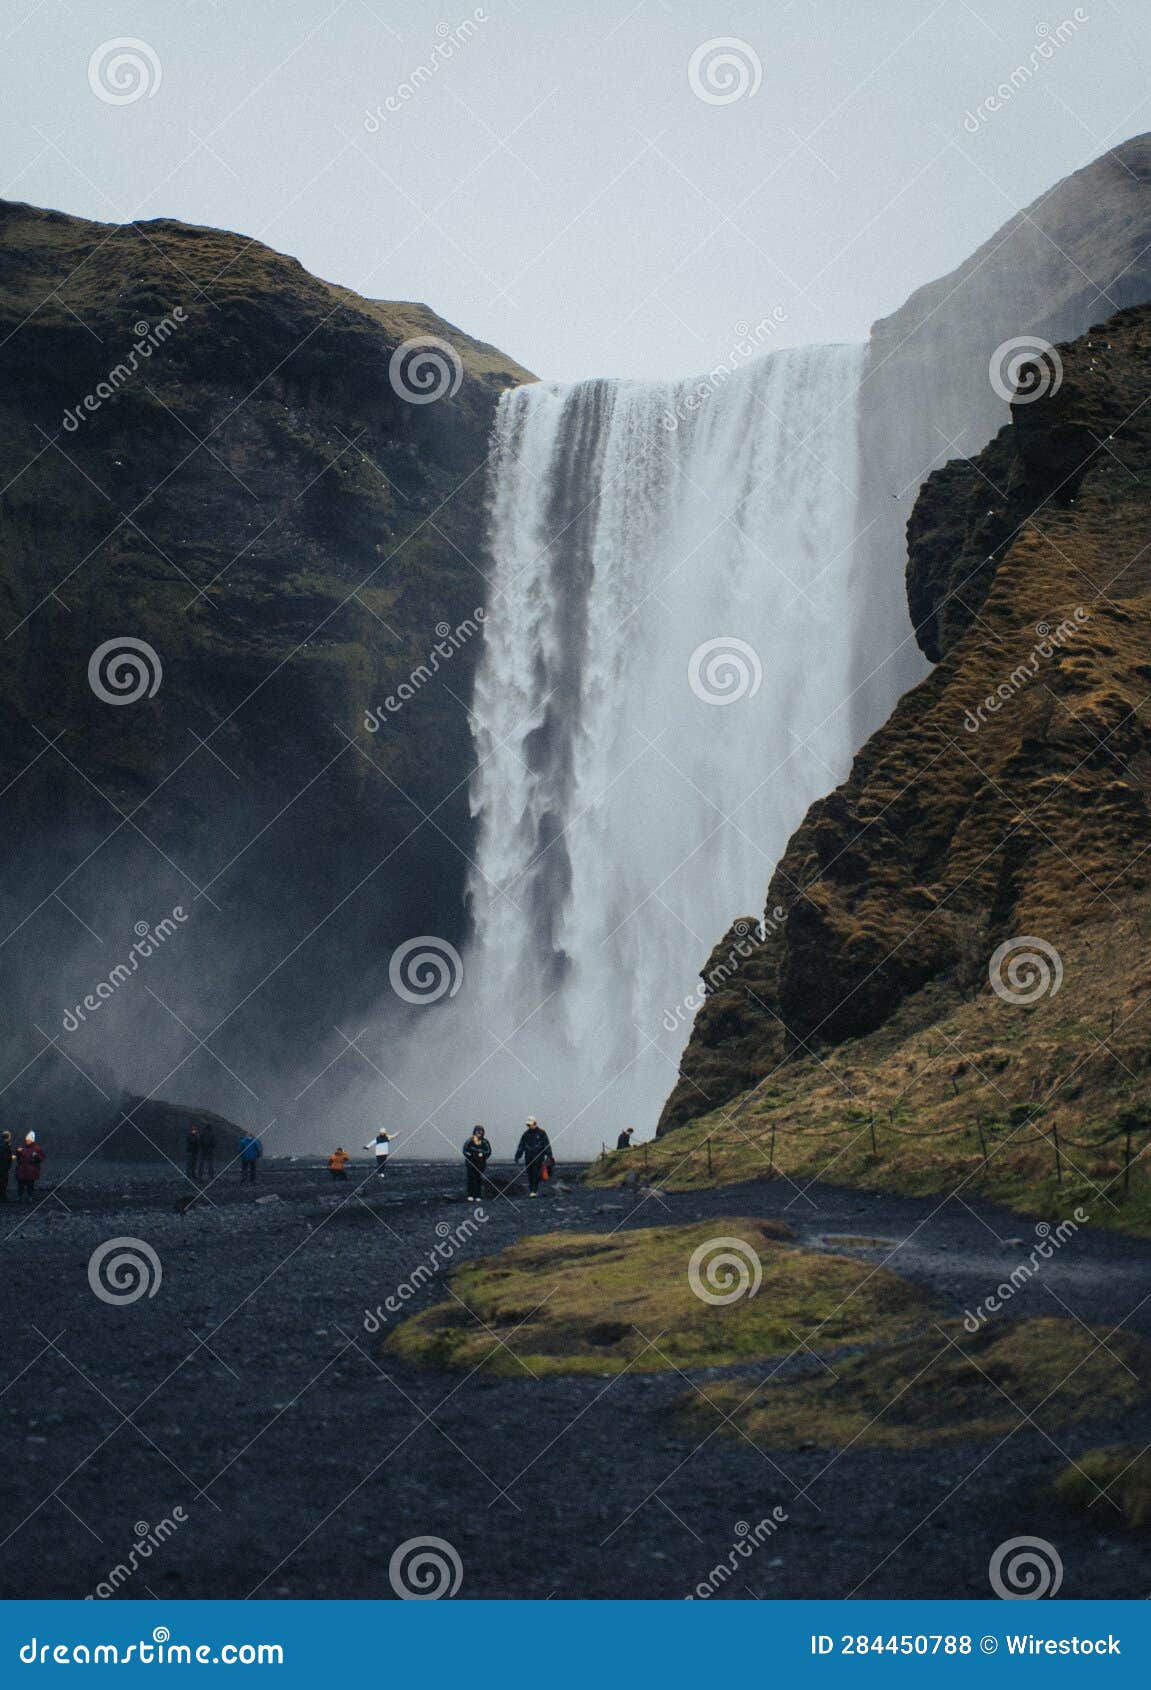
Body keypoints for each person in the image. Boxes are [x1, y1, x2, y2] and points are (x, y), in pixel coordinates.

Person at [515, 1117, 553, 1198]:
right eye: (528, 1125)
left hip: (539, 1158)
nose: (529, 1126)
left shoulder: (542, 1133)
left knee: (536, 1174)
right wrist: (518, 1156)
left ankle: (533, 1190)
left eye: (530, 1125)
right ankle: (532, 1190)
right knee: (530, 1174)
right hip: (528, 1157)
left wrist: (550, 1156)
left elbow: (547, 1145)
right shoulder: (525, 1134)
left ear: (535, 1123)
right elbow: (521, 1145)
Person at [462, 1125, 491, 1200]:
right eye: (478, 1131)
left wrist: (483, 1154)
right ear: (474, 1132)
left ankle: (478, 1195)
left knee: (478, 1179)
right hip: (471, 1164)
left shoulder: (485, 1142)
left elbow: (488, 1151)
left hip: (480, 1164)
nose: (479, 1133)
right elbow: (465, 1151)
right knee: (471, 1179)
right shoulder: (469, 1141)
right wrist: (471, 1155)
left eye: (481, 1131)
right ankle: (470, 1195)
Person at [14, 1132, 45, 1203]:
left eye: (28, 1140)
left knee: (30, 1185)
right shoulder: (22, 1147)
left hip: (30, 1170)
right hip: (23, 1170)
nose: (27, 1141)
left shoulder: (36, 1148)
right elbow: (16, 1153)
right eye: (26, 1140)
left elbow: (41, 1158)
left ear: (32, 1140)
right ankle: (19, 1197)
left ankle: (29, 1197)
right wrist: (17, 1151)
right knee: (21, 1185)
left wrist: (36, 1157)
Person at [0, 1131, 13, 1202]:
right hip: (3, 1168)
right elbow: (5, 1157)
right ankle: (3, 1197)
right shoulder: (5, 1146)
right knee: (3, 1183)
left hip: (2, 1167)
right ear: (8, 1137)